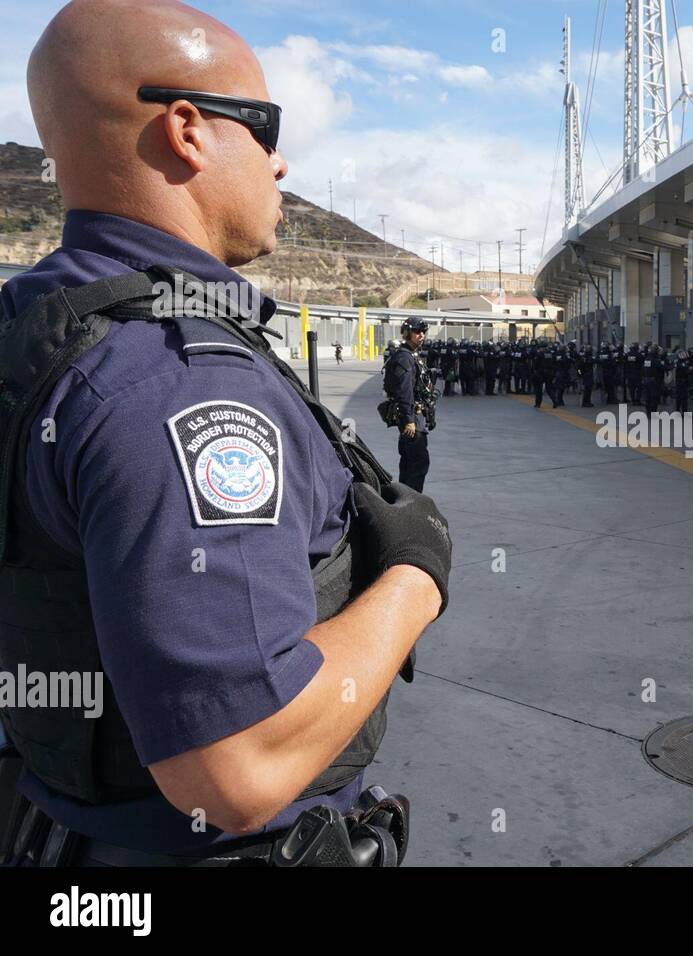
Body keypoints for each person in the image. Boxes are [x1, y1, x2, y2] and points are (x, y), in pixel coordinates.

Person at [0, 0, 450, 867]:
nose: (280, 164)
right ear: (188, 131)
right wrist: (416, 574)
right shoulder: (181, 381)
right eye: (265, 126)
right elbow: (235, 767)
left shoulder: (37, 331)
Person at [385, 318, 433, 492]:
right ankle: (412, 503)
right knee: (418, 463)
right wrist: (409, 419)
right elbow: (404, 391)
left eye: (423, 331)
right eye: (417, 331)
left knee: (409, 462)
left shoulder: (412, 355)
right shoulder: (405, 357)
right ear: (406, 333)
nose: (421, 335)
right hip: (412, 417)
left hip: (415, 415)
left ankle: (406, 500)